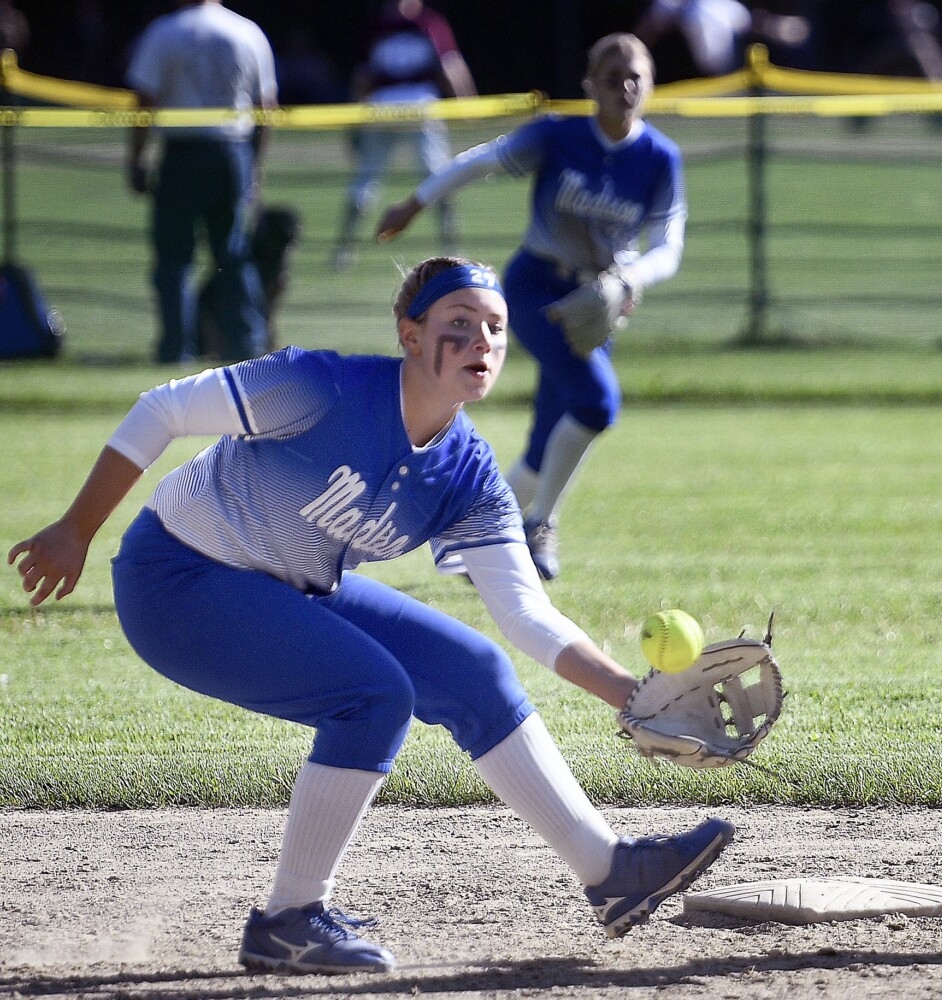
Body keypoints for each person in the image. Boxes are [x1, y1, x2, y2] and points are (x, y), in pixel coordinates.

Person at [7, 256, 734, 974]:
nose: (482, 341)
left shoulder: (470, 474)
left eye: (495, 328)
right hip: (176, 578)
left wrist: (637, 698)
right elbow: (164, 408)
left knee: (474, 668)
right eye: (459, 323)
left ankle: (610, 872)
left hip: (288, 584)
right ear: (409, 335)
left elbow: (524, 614)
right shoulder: (322, 385)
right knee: (374, 694)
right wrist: (77, 528)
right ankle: (288, 919)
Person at [377, 33, 687, 582]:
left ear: (653, 83)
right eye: (613, 77)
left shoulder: (659, 157)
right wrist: (415, 201)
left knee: (549, 433)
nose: (626, 86)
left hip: (600, 299)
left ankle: (473, 536)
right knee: (596, 403)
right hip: (537, 287)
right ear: (590, 86)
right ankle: (538, 523)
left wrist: (627, 281)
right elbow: (481, 163)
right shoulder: (560, 136)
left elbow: (669, 245)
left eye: (637, 75)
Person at [126, 0, 274, 364]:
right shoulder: (247, 31)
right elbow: (265, 106)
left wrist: (137, 157)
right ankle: (246, 346)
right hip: (231, 151)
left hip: (181, 153)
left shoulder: (166, 31)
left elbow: (144, 99)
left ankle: (176, 348)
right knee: (234, 255)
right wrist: (255, 165)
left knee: (174, 258)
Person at [332, 0, 476, 270]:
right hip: (410, 107)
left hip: (392, 108)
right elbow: (451, 67)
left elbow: (362, 78)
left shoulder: (388, 24)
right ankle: (452, 246)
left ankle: (344, 249)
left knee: (372, 180)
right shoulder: (423, 22)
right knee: (435, 178)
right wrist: (467, 102)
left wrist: (354, 120)